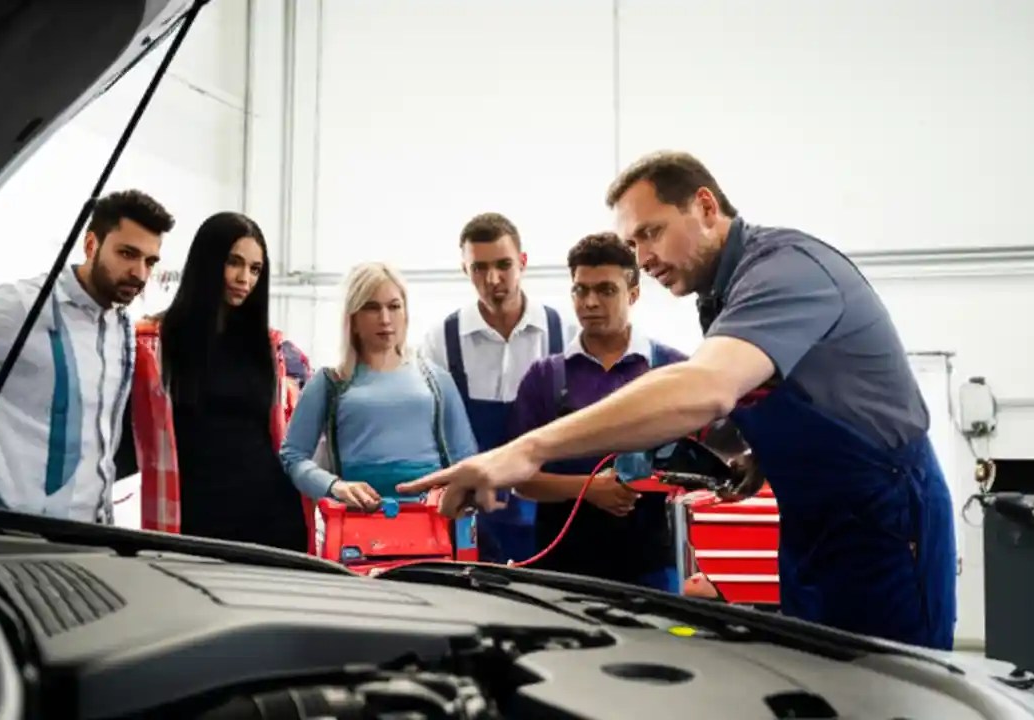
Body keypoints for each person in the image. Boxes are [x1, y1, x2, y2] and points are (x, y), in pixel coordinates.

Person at [400, 151, 958, 651]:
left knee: (891, 688)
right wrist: (753, 453)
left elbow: (708, 387)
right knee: (826, 682)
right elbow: (790, 396)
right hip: (814, 522)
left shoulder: (784, 270)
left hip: (881, 518)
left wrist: (527, 450)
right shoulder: (721, 296)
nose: (641, 256)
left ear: (706, 207)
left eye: (651, 233)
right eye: (634, 242)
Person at [0, 190, 175, 522]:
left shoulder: (120, 324)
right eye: (127, 253)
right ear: (91, 244)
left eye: (150, 261)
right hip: (21, 532)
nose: (139, 273)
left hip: (97, 533)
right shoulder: (18, 307)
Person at [508, 233, 686, 591]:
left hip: (651, 566)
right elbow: (519, 480)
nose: (590, 302)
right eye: (580, 290)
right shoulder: (544, 378)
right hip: (560, 569)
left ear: (633, 294)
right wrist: (588, 490)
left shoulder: (673, 371)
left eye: (605, 290)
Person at [122, 211, 308, 550]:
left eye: (255, 269)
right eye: (234, 262)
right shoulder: (155, 344)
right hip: (195, 520)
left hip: (273, 517)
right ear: (207, 262)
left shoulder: (269, 348)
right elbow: (120, 441)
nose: (244, 279)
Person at [281, 262, 477, 545]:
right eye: (372, 308)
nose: (385, 318)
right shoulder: (330, 381)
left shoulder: (435, 379)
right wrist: (334, 486)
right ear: (353, 318)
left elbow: (465, 458)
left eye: (394, 306)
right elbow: (292, 456)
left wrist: (460, 498)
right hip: (355, 527)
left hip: (435, 524)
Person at [420, 213, 577, 565]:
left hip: (550, 512)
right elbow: (430, 431)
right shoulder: (441, 341)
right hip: (471, 510)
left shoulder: (563, 333)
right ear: (465, 270)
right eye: (479, 268)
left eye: (504, 265)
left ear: (522, 262)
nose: (493, 279)